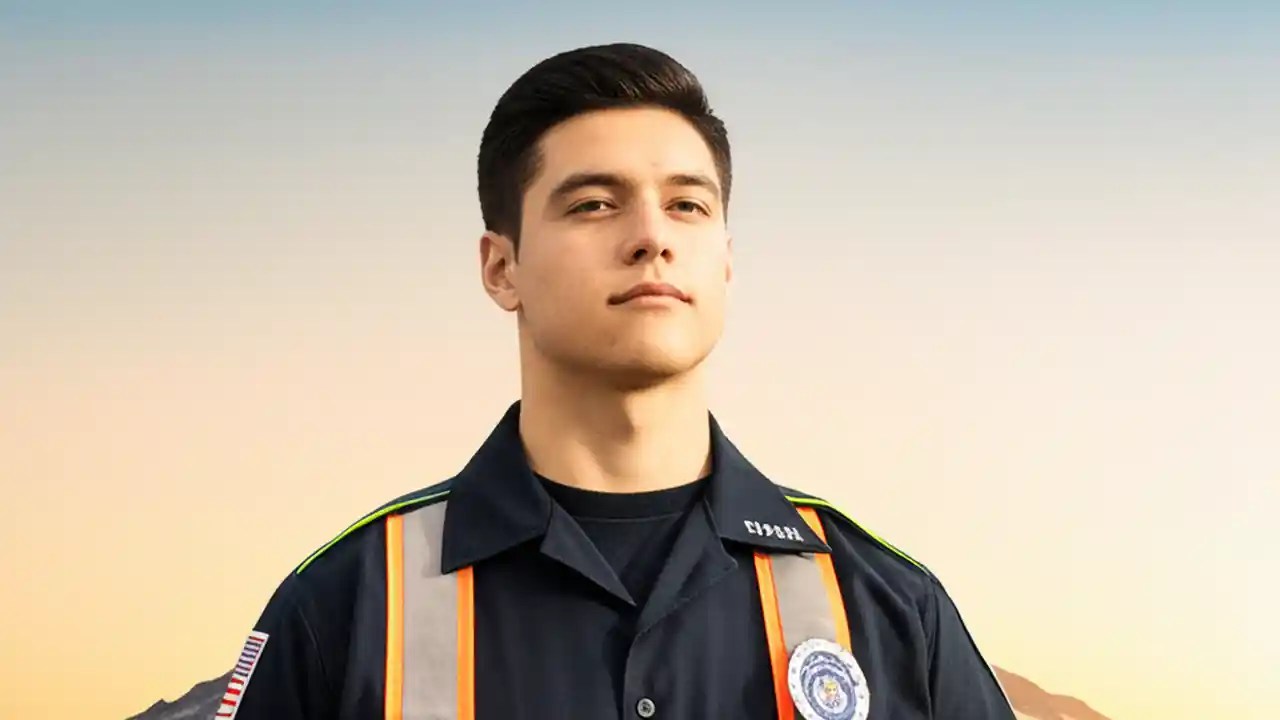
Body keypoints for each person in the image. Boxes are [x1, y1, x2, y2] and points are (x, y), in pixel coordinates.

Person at [217, 43, 1016, 720]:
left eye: (687, 206)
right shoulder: (348, 608)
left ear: (727, 260)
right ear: (502, 268)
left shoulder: (890, 609)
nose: (651, 238)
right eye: (596, 204)